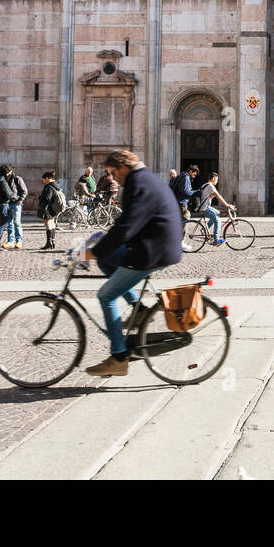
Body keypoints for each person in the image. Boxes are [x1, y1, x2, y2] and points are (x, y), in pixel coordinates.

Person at [84, 149, 183, 377]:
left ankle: (119, 357)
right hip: (153, 244)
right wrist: (101, 249)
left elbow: (126, 227)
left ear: (123, 167)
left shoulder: (139, 184)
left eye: (113, 172)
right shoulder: (142, 178)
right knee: (107, 261)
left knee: (106, 296)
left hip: (153, 251)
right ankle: (138, 309)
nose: (113, 177)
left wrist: (94, 251)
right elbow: (124, 222)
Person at [0, 164, 28, 250]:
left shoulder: (17, 179)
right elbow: (8, 194)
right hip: (5, 204)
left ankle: (19, 241)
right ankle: (10, 241)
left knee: (16, 222)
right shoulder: (2, 180)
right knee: (8, 224)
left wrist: (19, 201)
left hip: (15, 204)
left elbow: (24, 191)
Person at [197, 171, 233, 244]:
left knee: (217, 213)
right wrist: (227, 205)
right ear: (213, 178)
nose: (217, 181)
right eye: (216, 180)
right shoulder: (210, 186)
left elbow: (206, 197)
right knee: (217, 220)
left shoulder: (204, 185)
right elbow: (219, 196)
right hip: (205, 208)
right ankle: (216, 240)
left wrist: (211, 197)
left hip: (204, 207)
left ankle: (204, 230)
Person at [37, 171, 65, 250]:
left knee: (48, 224)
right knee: (52, 224)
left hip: (48, 208)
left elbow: (47, 198)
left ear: (47, 178)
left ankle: (49, 243)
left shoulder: (49, 186)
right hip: (53, 207)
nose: (43, 181)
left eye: (43, 179)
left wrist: (40, 198)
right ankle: (52, 241)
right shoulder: (56, 185)